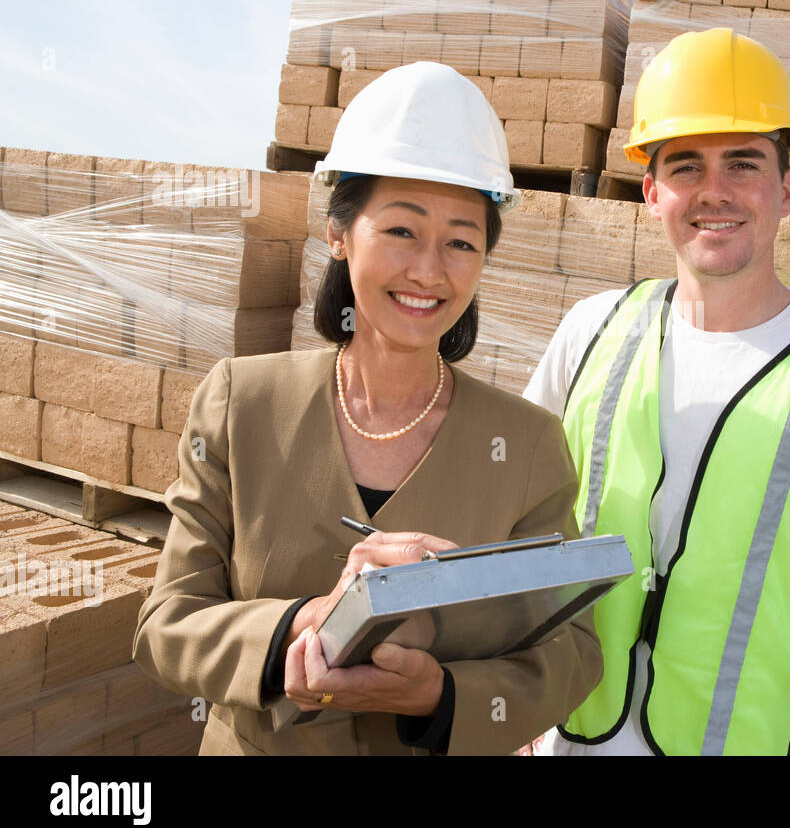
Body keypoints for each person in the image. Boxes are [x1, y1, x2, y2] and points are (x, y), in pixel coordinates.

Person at [133, 62, 602, 755]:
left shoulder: (527, 443)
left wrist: (438, 697)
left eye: (461, 242)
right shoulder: (243, 403)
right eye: (402, 231)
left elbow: (571, 655)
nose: (428, 270)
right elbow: (166, 624)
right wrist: (302, 626)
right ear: (338, 234)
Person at [524, 28, 790, 755]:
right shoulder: (590, 331)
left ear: (788, 189)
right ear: (652, 193)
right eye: (686, 166)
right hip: (566, 738)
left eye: (743, 164)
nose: (714, 192)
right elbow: (522, 533)